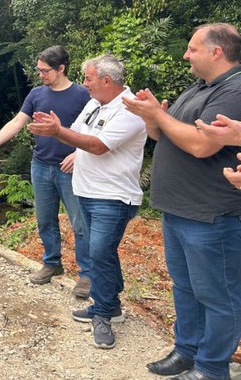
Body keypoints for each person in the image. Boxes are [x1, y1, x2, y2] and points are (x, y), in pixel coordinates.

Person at [123, 23, 241, 380]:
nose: (186, 55)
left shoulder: (234, 90)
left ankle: (211, 367)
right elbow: (167, 135)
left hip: (211, 214)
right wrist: (151, 118)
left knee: (218, 296)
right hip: (178, 209)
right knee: (186, 287)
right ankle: (186, 351)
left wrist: (159, 116)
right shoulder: (199, 88)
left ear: (216, 51)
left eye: (192, 49)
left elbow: (201, 145)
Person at [29, 54, 146, 350]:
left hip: (113, 196)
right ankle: (112, 303)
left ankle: (104, 313)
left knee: (99, 252)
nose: (85, 85)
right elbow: (79, 133)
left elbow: (97, 146)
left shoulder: (130, 109)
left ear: (106, 81)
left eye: (89, 79)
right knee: (102, 251)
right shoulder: (95, 104)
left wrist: (58, 132)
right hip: (88, 191)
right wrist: (58, 130)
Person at [0, 46, 92, 296]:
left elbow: (95, 132)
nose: (40, 75)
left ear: (61, 68)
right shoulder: (37, 94)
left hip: (71, 168)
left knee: (79, 222)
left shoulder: (83, 95)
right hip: (40, 165)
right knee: (45, 219)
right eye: (38, 70)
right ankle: (51, 263)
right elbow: (17, 122)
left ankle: (87, 275)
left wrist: (79, 154)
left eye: (44, 70)